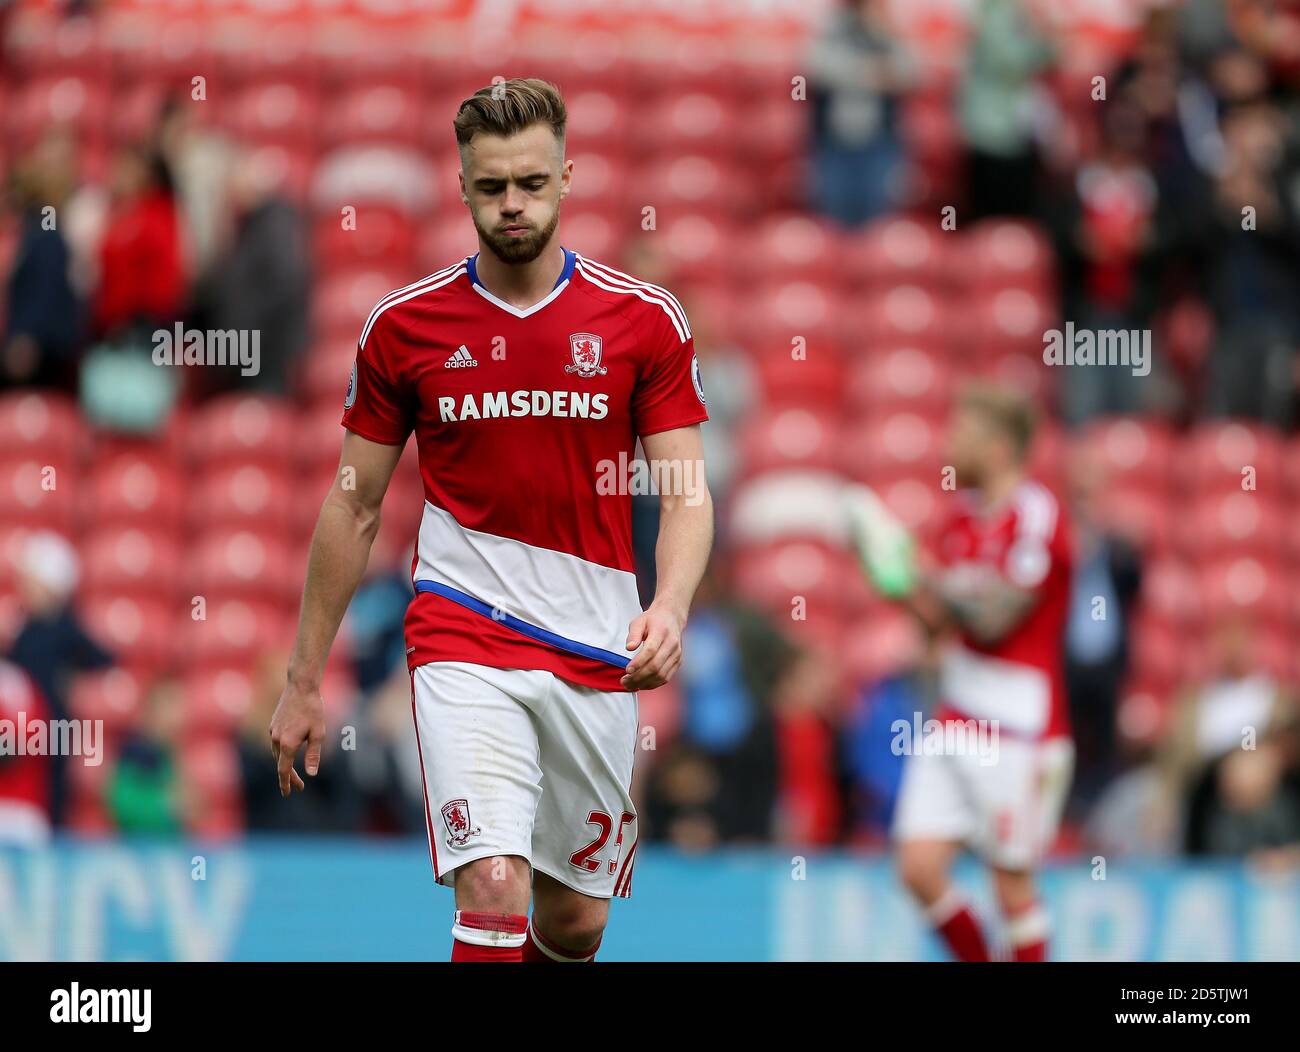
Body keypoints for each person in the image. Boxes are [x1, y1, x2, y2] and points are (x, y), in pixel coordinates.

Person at [269, 79, 714, 963]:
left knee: (576, 921)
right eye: (492, 187)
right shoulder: (404, 327)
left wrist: (671, 608)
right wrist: (305, 676)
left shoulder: (643, 322)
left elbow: (686, 494)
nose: (513, 205)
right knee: (494, 883)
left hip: (598, 645)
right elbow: (354, 504)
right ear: (463, 185)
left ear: (568, 177)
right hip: (463, 630)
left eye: (532, 183)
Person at [850, 384, 1074, 960]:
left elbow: (997, 615)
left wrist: (919, 574)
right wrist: (892, 582)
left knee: (1011, 885)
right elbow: (940, 625)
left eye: (962, 434)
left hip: (1018, 725)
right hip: (956, 714)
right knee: (918, 867)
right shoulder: (960, 519)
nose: (949, 446)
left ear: (998, 447)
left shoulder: (1036, 514)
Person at [6, 531, 114, 828]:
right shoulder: (25, 627)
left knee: (53, 793)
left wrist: (73, 678)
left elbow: (103, 659)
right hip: (19, 730)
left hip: (52, 724)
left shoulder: (65, 628)